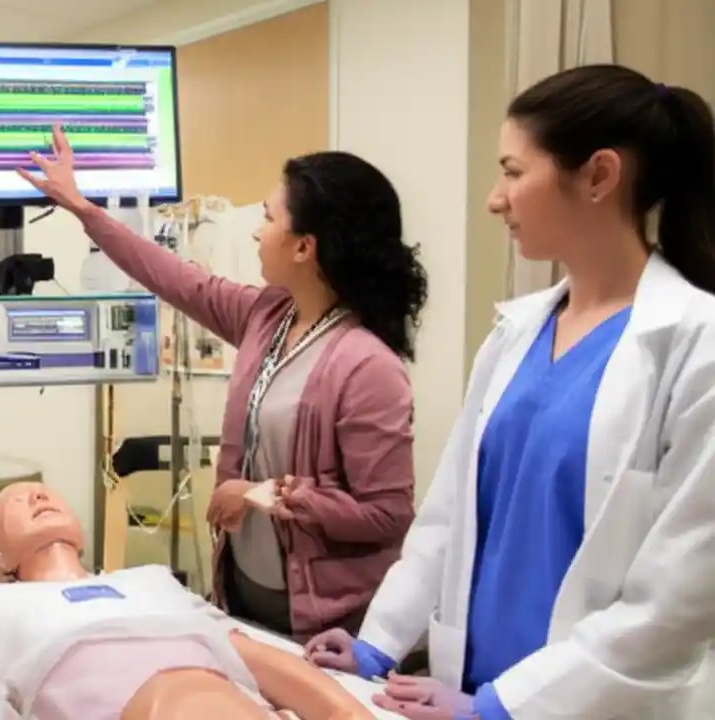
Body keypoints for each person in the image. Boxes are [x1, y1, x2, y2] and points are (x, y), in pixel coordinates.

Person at [305, 65, 715, 720]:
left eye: (513, 172)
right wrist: (377, 645)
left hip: (592, 705)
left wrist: (503, 707)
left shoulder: (696, 346)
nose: (496, 199)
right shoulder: (516, 334)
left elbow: (678, 599)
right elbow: (447, 518)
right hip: (466, 688)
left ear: (599, 176)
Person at [19, 128, 427, 639]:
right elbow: (171, 275)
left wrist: (266, 493)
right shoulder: (268, 316)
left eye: (268, 217)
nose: (257, 232)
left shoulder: (368, 365)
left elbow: (387, 516)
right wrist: (84, 209)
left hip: (326, 624)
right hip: (242, 597)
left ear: (305, 246)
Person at [0, 482, 377, 720]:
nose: (38, 497)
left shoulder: (153, 583)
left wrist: (351, 718)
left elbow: (253, 655)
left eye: (45, 492)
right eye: (16, 502)